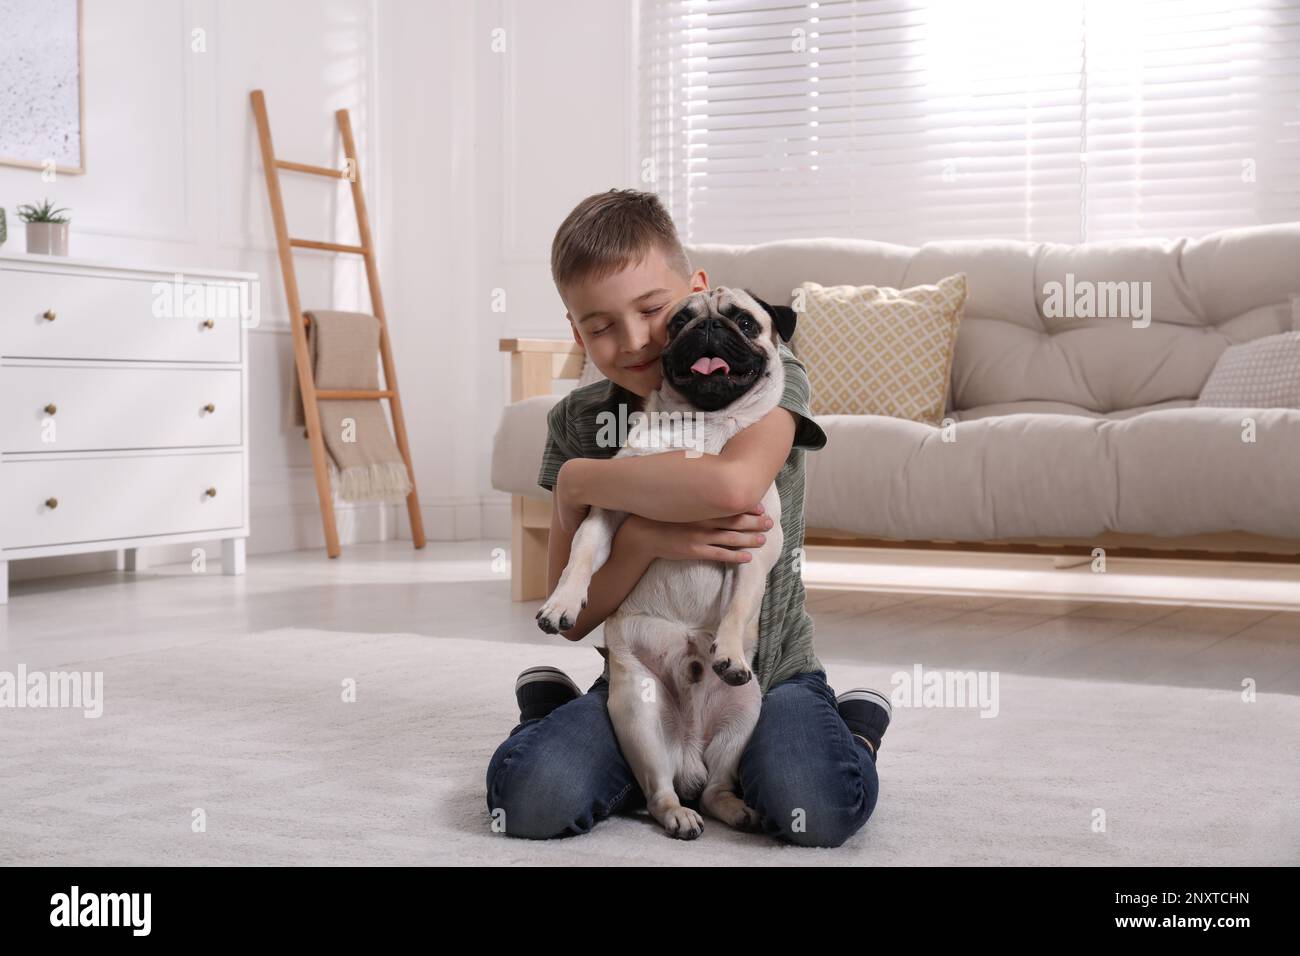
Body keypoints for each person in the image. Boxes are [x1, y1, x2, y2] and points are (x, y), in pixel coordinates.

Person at [485, 189, 890, 846]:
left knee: (815, 803)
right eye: (600, 326)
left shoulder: (766, 374)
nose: (637, 339)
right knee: (532, 800)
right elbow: (575, 615)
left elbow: (731, 486)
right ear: (576, 332)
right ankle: (552, 716)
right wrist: (641, 535)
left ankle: (855, 731)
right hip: (646, 670)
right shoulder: (579, 422)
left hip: (767, 670)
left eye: (653, 309)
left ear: (698, 288)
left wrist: (584, 481)